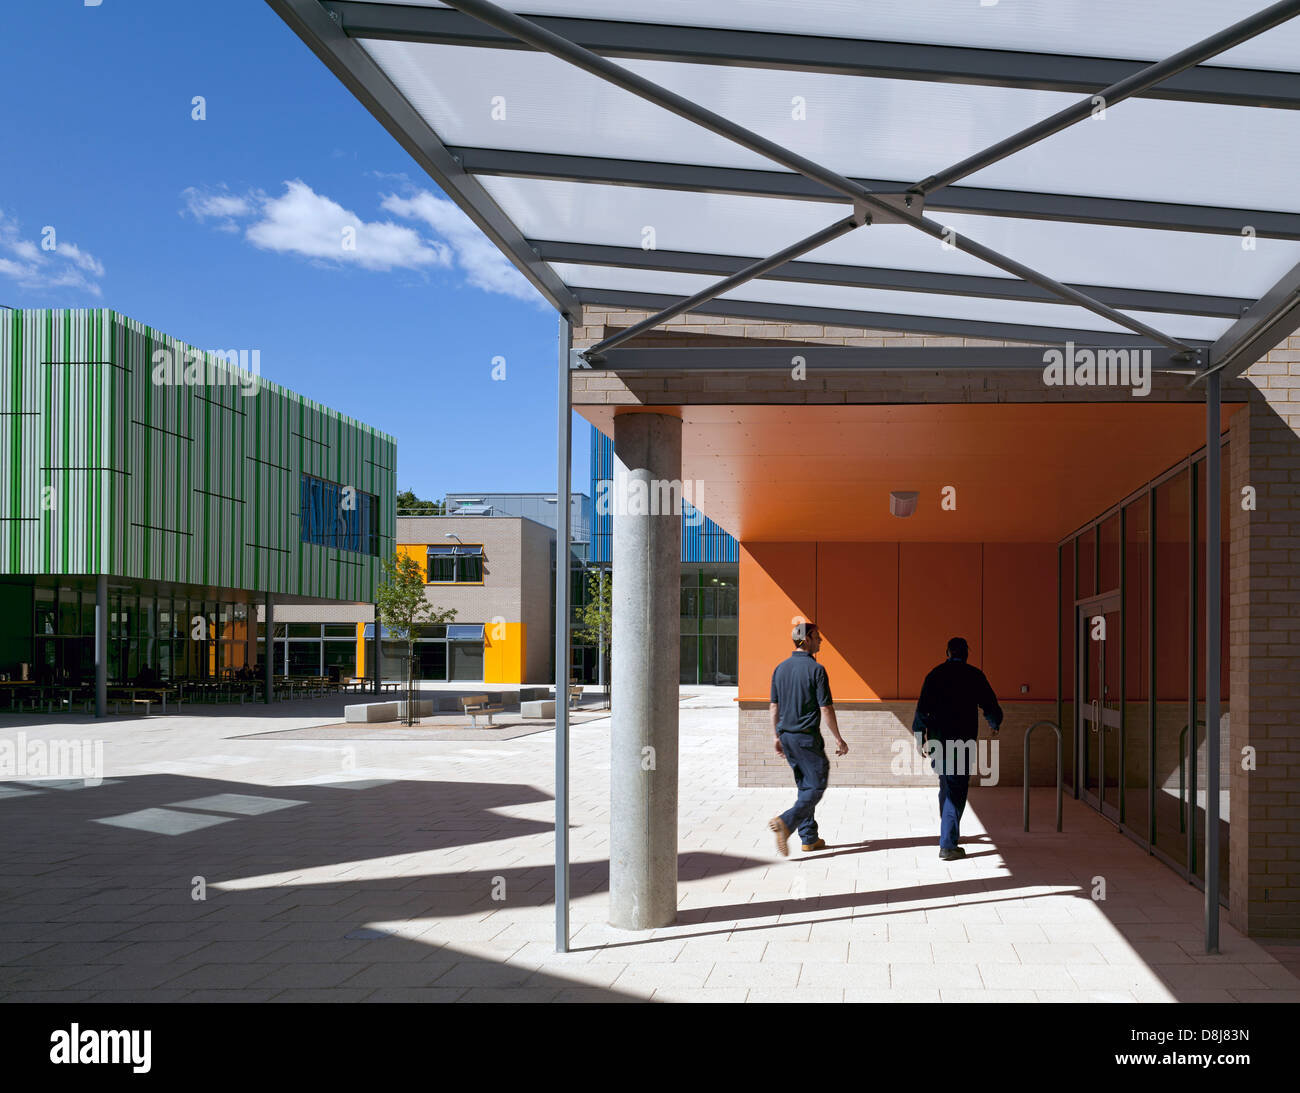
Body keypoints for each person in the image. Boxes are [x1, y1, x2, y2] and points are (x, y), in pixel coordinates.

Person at [912, 637, 1002, 860]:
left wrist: (919, 737)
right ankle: (948, 845)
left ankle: (948, 831)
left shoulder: (934, 675)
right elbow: (990, 704)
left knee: (946, 784)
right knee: (956, 791)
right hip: (962, 741)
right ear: (966, 654)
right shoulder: (974, 675)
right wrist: (995, 723)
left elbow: (922, 708)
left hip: (938, 741)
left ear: (947, 652)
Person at [767, 621, 848, 856]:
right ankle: (785, 822)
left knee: (805, 786)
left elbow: (774, 707)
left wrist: (776, 737)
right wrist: (839, 739)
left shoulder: (780, 669)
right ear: (809, 637)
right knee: (816, 785)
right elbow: (826, 709)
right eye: (818, 637)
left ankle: (809, 838)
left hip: (787, 737)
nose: (821, 641)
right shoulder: (817, 670)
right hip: (806, 739)